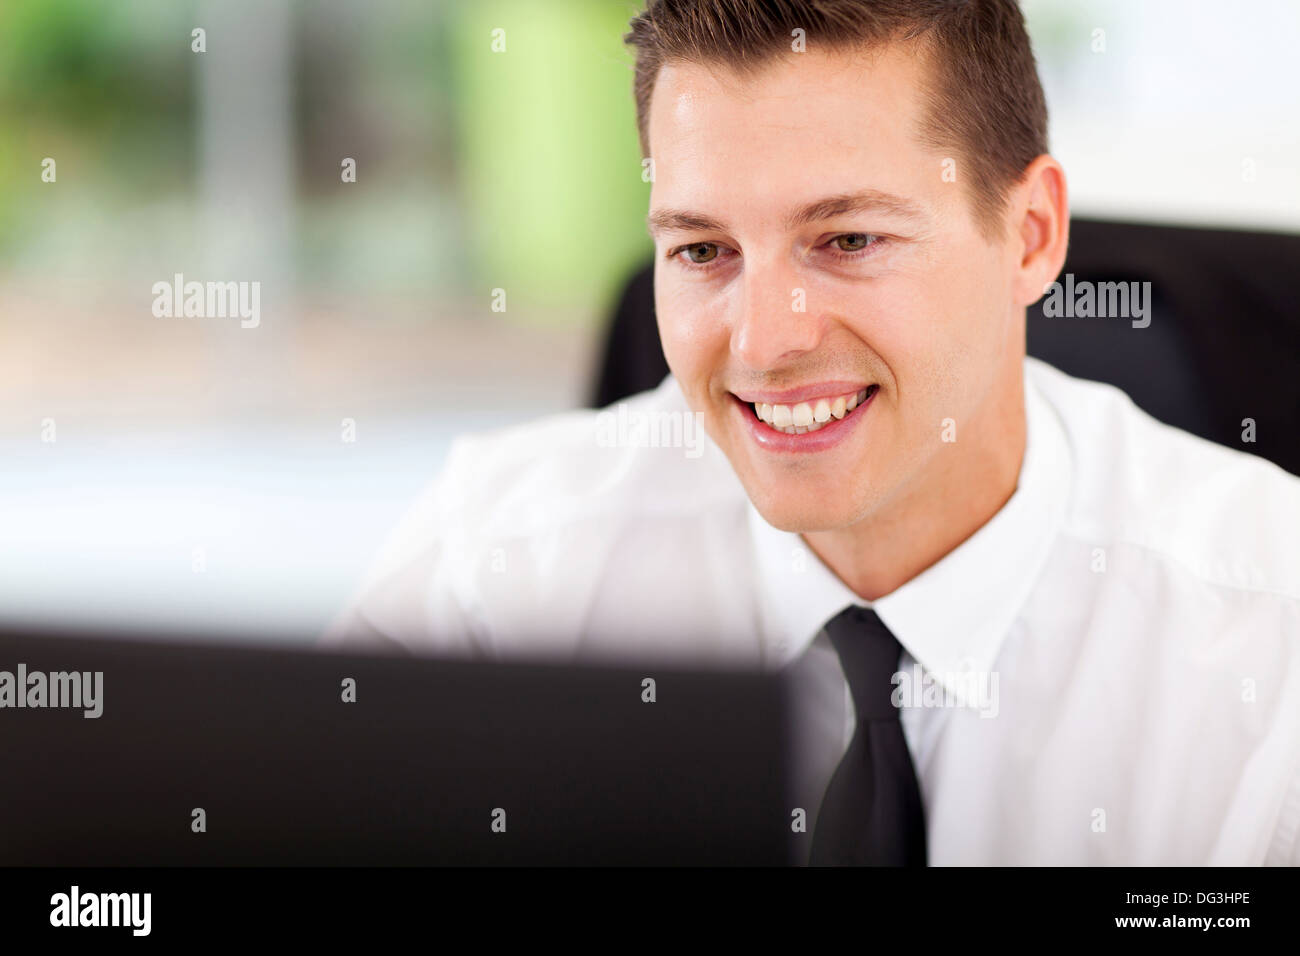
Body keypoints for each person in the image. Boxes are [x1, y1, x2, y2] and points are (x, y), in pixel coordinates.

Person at [323, 0, 1300, 865]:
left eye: (848, 240)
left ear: (1032, 233)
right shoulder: (497, 571)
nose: (763, 339)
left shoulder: (1266, 638)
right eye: (703, 250)